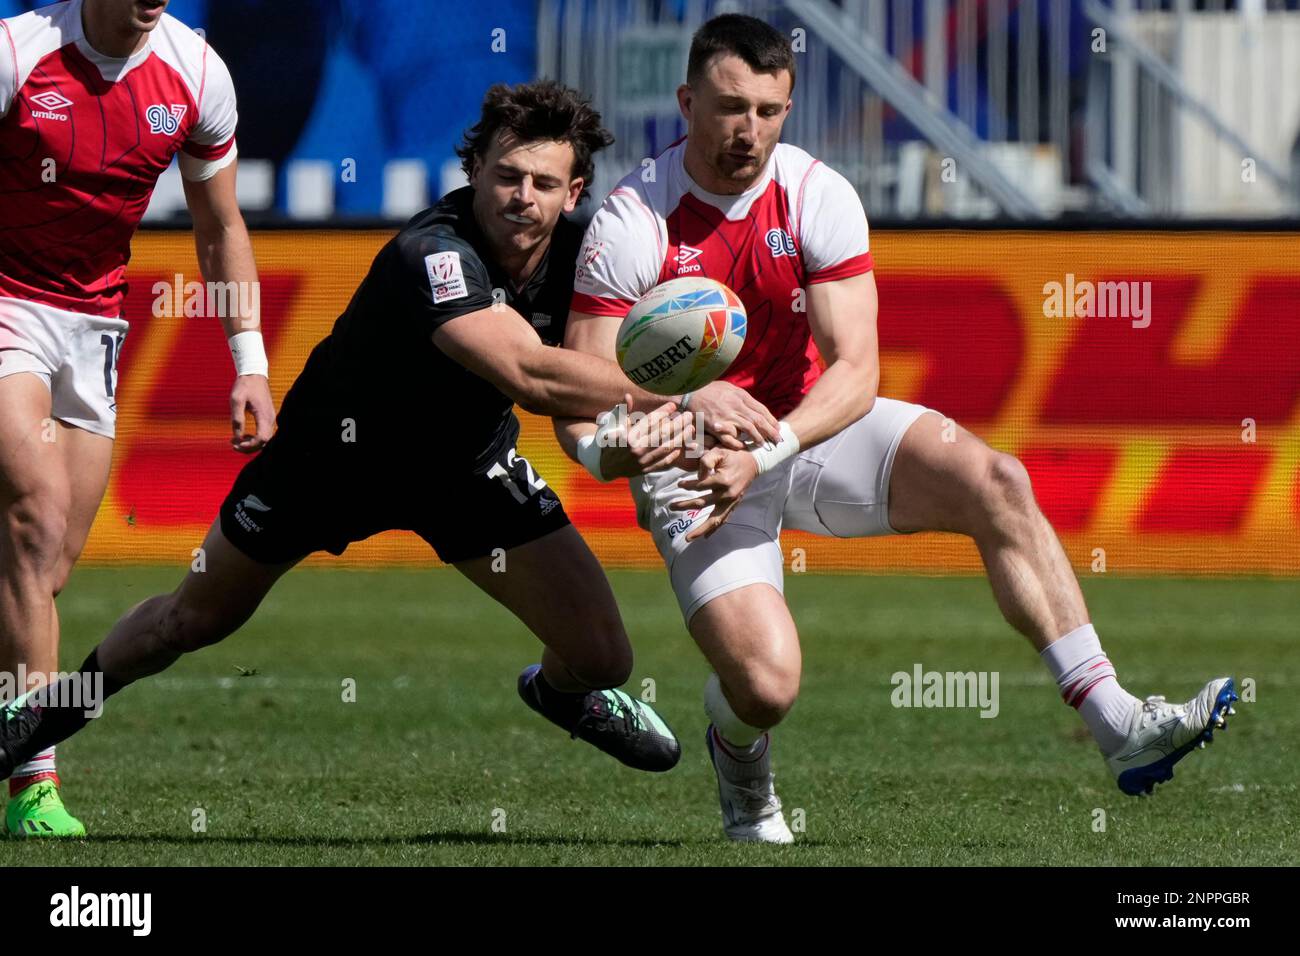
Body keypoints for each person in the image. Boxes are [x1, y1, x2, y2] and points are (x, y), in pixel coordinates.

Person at [558, 13, 1238, 844]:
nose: (750, 130)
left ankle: (1117, 722)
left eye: (770, 110)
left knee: (998, 481)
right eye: (731, 107)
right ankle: (739, 761)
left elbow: (856, 373)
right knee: (767, 688)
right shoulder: (634, 218)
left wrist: (773, 445)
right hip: (693, 458)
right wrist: (636, 440)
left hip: (802, 427)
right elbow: (581, 403)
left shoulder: (814, 193)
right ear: (686, 99)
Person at [0, 80, 782, 799]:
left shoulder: (590, 258)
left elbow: (590, 380)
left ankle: (559, 691)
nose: (523, 197)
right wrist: (682, 392)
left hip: (465, 470)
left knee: (608, 658)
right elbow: (533, 375)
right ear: (474, 169)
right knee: (189, 623)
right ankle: (46, 719)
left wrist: (650, 426)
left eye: (545, 184)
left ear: (575, 192)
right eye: (507, 175)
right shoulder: (433, 253)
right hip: (326, 464)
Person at [0, 0, 274, 836]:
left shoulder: (198, 74)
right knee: (34, 518)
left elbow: (218, 224)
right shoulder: (17, 52)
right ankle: (32, 786)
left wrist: (251, 363)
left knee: (45, 572)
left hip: (96, 329)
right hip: (5, 300)